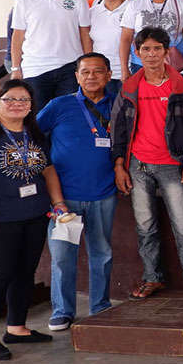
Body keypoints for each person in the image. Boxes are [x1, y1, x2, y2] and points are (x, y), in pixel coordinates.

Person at [0, 80, 65, 360]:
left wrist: (58, 202)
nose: (18, 104)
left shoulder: (35, 133)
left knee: (24, 273)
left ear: (31, 106)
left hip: (35, 215)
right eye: (10, 99)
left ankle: (17, 328)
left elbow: (48, 170)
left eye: (25, 100)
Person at [111, 27, 183, 300]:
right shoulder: (129, 87)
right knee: (145, 226)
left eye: (156, 49)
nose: (151, 54)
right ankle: (153, 278)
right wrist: (119, 165)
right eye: (145, 49)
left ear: (167, 51)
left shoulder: (182, 84)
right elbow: (118, 129)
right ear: (136, 53)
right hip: (137, 165)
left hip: (173, 164)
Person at [36, 52, 119, 331]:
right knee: (62, 255)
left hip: (104, 193)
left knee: (102, 253)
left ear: (109, 75)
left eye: (98, 71)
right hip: (64, 198)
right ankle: (62, 310)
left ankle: (100, 307)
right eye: (85, 72)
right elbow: (33, 136)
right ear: (76, 77)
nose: (91, 77)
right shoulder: (59, 105)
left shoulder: (118, 106)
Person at [11, 0, 91, 110]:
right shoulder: (24, 0)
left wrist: (87, 65)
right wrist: (15, 69)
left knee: (68, 116)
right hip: (35, 69)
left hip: (70, 68)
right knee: (38, 119)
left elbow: (85, 34)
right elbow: (18, 36)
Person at [86, 0, 129, 96]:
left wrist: (125, 70)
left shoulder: (134, 8)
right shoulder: (91, 13)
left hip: (128, 73)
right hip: (101, 75)